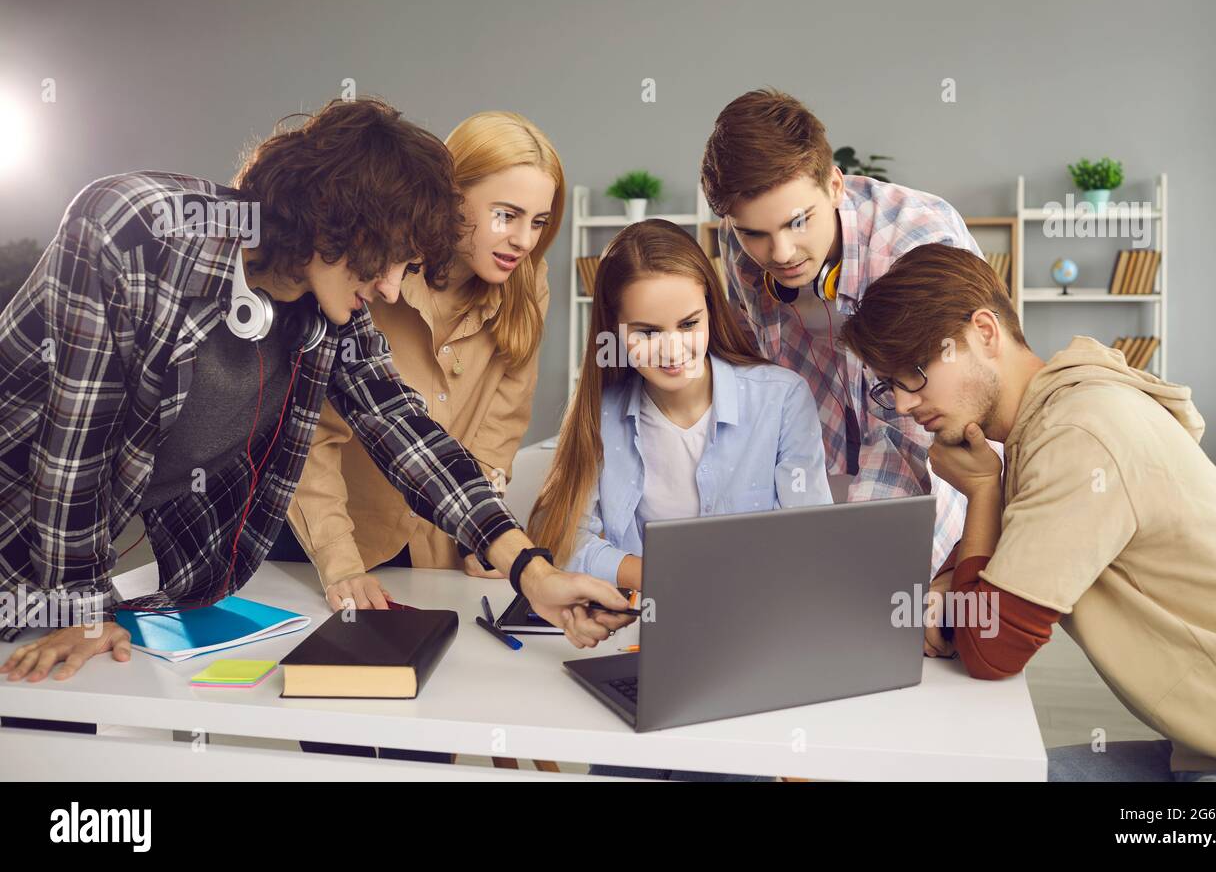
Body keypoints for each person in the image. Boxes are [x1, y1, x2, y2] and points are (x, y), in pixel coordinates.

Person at [0, 97, 626, 689]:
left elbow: (402, 427)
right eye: (389, 262)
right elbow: (74, 441)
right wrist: (77, 605)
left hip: (76, 560)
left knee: (68, 715)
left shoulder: (328, 299)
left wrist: (531, 570)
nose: (388, 291)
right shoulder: (134, 227)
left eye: (406, 270)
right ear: (336, 222)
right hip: (25, 534)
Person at [842, 242, 1216, 782]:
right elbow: (965, 607)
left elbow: (990, 651)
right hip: (1212, 749)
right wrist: (960, 588)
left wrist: (984, 493)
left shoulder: (1078, 433)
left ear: (984, 333)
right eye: (887, 384)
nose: (901, 404)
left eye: (913, 372)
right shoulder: (1050, 419)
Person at [528, 217, 830, 781]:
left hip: (748, 656)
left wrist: (639, 576)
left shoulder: (780, 400)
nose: (672, 350)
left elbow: (807, 545)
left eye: (688, 323)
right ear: (613, 332)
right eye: (645, 331)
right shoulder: (600, 411)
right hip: (640, 653)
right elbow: (564, 539)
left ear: (711, 312)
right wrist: (658, 577)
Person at [278, 110, 561, 608]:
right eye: (506, 215)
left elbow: (500, 427)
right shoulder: (366, 276)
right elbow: (313, 434)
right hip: (328, 536)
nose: (524, 240)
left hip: (441, 534)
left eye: (538, 222)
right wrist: (340, 562)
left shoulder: (528, 284)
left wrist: (484, 533)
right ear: (452, 199)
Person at [701, 88, 985, 575]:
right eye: (754, 233)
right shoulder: (738, 245)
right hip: (820, 456)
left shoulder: (915, 241)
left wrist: (858, 559)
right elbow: (757, 377)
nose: (782, 252)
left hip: (927, 447)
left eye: (798, 222)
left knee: (888, 601)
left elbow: (921, 428)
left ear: (834, 185)